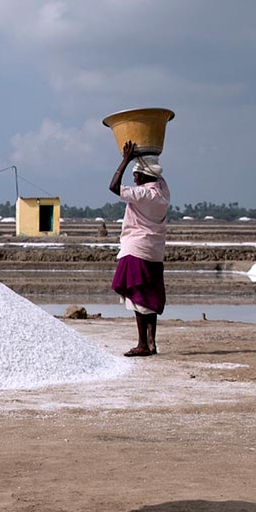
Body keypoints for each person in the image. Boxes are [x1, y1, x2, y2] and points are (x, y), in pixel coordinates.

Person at [108, 141, 169, 357]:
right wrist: (143, 157)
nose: (134, 179)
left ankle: (143, 344)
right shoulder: (162, 191)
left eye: (136, 176)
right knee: (149, 297)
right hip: (154, 250)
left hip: (136, 248)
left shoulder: (144, 194)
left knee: (138, 297)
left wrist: (125, 160)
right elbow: (156, 175)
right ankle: (151, 343)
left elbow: (114, 187)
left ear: (143, 177)